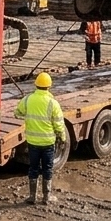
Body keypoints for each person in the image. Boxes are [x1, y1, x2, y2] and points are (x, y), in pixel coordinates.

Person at [15, 73, 67, 205]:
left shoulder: (28, 99)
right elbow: (59, 124)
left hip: (32, 142)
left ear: (36, 84)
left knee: (33, 168)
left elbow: (17, 113)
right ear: (49, 86)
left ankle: (32, 196)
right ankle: (46, 197)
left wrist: (27, 115)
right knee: (47, 168)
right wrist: (62, 137)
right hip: (48, 143)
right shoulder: (53, 103)